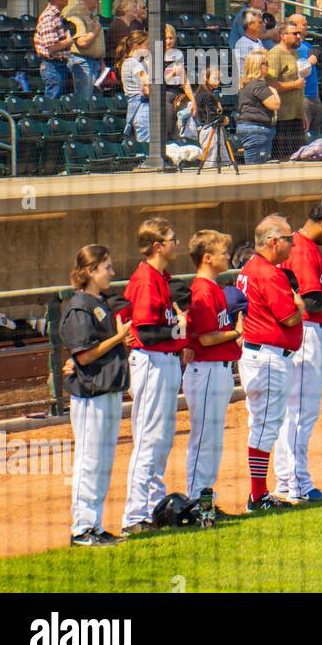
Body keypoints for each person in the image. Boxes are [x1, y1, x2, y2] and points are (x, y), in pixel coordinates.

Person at [272, 206, 322, 502]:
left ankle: (287, 482)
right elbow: (311, 302)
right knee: (302, 412)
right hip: (308, 333)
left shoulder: (303, 246)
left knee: (294, 412)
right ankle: (298, 483)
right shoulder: (302, 250)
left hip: (307, 336)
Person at [61, 245, 131, 547]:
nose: (112, 273)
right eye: (107, 267)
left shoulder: (99, 302)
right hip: (90, 397)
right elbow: (85, 356)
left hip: (108, 392)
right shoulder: (79, 307)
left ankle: (96, 525)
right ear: (90, 271)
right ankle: (81, 530)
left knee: (103, 462)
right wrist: (118, 338)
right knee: (89, 462)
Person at [120, 218, 186, 534]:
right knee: (148, 441)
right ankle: (134, 516)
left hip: (163, 362)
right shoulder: (146, 279)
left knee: (160, 441)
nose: (178, 243)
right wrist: (178, 329)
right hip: (152, 363)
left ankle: (154, 509)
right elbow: (145, 333)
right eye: (173, 238)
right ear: (158, 245)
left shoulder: (159, 277)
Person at [235, 215, 304, 511]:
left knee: (263, 424)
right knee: (265, 426)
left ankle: (259, 493)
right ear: (273, 241)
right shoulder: (269, 273)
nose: (292, 244)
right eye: (289, 239)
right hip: (268, 358)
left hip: (259, 355)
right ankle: (258, 496)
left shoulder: (251, 267)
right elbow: (289, 316)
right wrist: (300, 305)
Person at [177, 228, 241, 516]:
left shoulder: (213, 287)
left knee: (212, 441)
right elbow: (205, 338)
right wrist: (235, 333)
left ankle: (206, 504)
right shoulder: (203, 290)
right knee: (204, 440)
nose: (227, 255)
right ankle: (196, 506)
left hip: (217, 371)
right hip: (206, 371)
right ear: (206, 258)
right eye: (222, 252)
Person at [266, 20, 308, 159]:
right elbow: (270, 85)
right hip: (282, 119)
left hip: (296, 115)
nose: (298, 36)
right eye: (295, 33)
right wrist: (294, 85)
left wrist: (303, 114)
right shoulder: (274, 54)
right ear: (283, 36)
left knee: (299, 158)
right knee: (283, 159)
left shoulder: (295, 54)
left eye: (299, 33)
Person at [63, 0, 105, 104]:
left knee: (96, 101)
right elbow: (81, 42)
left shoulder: (92, 15)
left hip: (95, 62)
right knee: (85, 101)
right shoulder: (75, 15)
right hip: (82, 62)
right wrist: (96, 31)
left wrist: (101, 61)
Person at [236, 48, 279, 165]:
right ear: (258, 66)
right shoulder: (258, 84)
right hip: (256, 129)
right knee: (255, 169)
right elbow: (275, 104)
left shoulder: (247, 83)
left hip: (251, 127)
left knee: (255, 167)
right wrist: (273, 90)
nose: (268, 66)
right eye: (266, 63)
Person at [34, 0, 75, 101]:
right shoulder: (49, 17)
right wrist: (70, 41)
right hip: (53, 66)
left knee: (59, 101)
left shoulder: (57, 16)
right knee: (52, 102)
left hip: (59, 65)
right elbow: (51, 48)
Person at [118, 31, 151, 144]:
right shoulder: (134, 63)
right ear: (136, 46)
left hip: (139, 108)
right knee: (146, 148)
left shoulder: (134, 62)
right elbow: (147, 83)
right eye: (147, 46)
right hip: (141, 108)